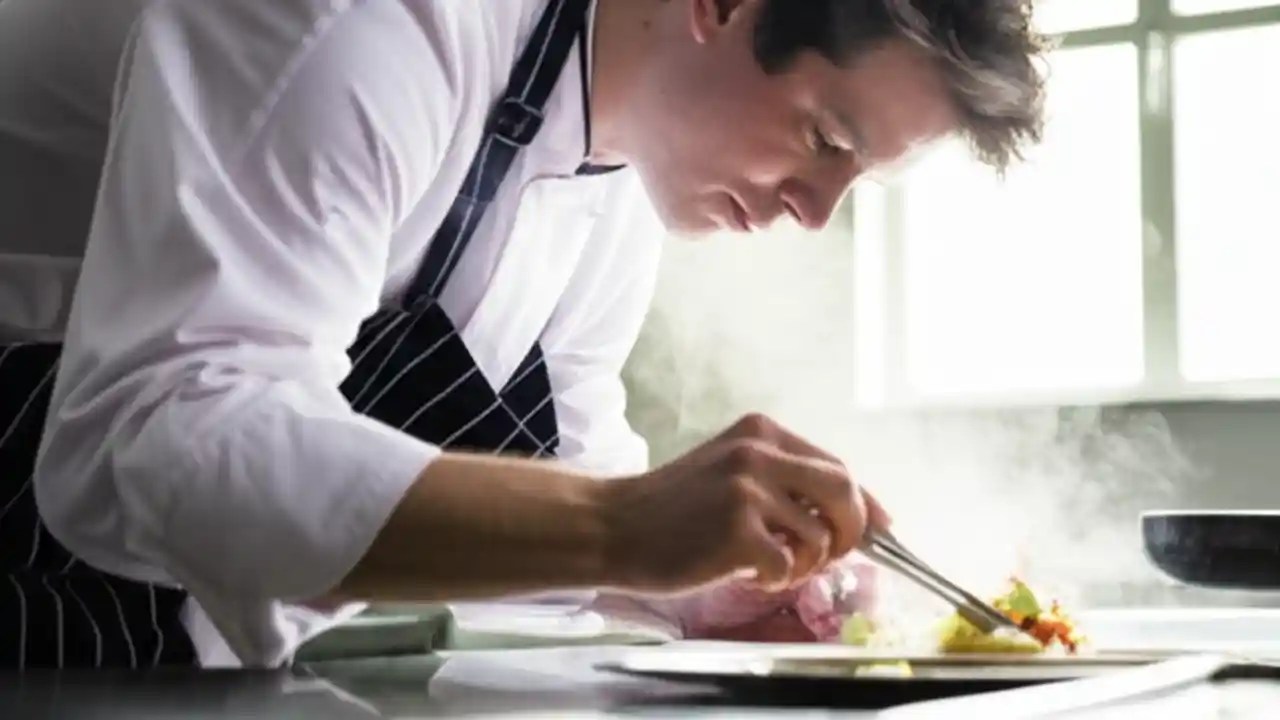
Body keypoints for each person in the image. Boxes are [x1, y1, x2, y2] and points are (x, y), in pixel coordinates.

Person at [0, 0, 1047, 668]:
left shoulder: (615, 184)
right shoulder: (371, 22)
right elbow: (156, 438)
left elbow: (571, 475)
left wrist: (698, 586)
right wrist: (624, 528)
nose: (815, 213)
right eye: (824, 140)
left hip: (152, 651)